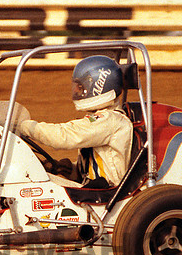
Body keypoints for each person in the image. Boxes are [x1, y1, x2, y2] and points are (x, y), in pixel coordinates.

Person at [17, 55, 134, 188]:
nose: (77, 90)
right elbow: (96, 168)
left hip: (106, 194)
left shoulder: (109, 120)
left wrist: (22, 126)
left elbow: (63, 136)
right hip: (94, 190)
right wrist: (68, 170)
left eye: (81, 86)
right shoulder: (105, 119)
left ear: (99, 85)